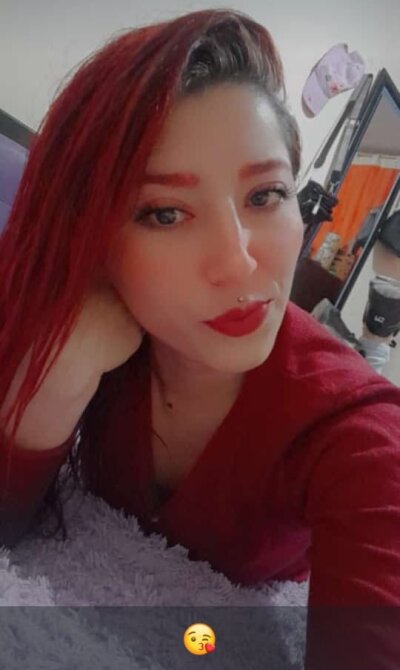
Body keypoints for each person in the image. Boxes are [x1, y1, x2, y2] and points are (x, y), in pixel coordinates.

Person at [1, 8, 400, 667]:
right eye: (166, 213)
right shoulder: (82, 316)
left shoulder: (359, 432)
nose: (239, 263)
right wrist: (61, 375)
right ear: (94, 239)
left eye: (265, 195)